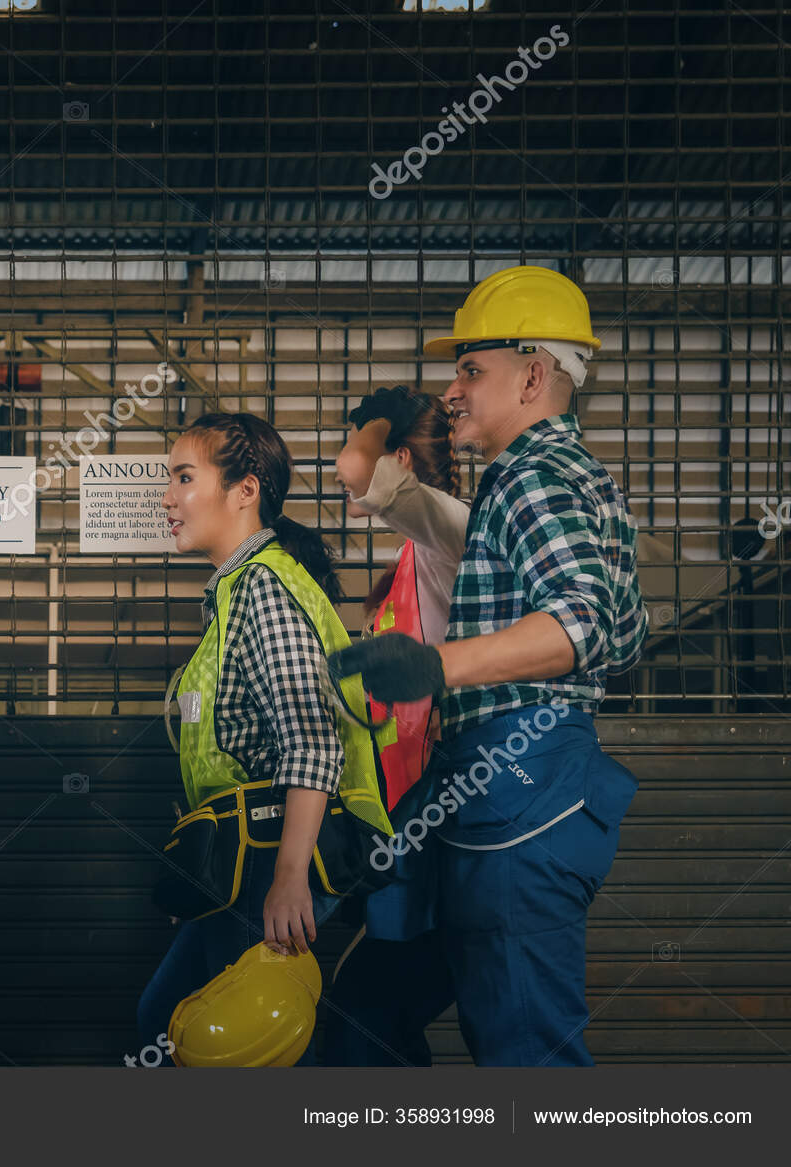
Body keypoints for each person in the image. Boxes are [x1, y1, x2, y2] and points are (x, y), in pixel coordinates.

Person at [330, 265, 648, 1066]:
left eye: (472, 368)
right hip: (518, 781)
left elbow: (582, 622)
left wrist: (436, 666)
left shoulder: (531, 475)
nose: (456, 390)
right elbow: (628, 631)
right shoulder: (574, 481)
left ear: (534, 375)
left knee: (526, 1056)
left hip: (520, 780)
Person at [136, 412, 393, 1059]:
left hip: (270, 866)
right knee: (163, 1023)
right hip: (235, 863)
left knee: (240, 1047)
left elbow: (312, 741)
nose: (167, 496)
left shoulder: (266, 590)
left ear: (244, 489)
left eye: (184, 477)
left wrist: (289, 878)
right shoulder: (235, 590)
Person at [318, 385, 469, 1066]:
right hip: (407, 818)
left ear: (399, 457)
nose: (342, 460)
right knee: (373, 1022)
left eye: (361, 437)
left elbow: (358, 469)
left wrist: (383, 413)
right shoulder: (411, 558)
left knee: (366, 1018)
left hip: (449, 815)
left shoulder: (447, 533)